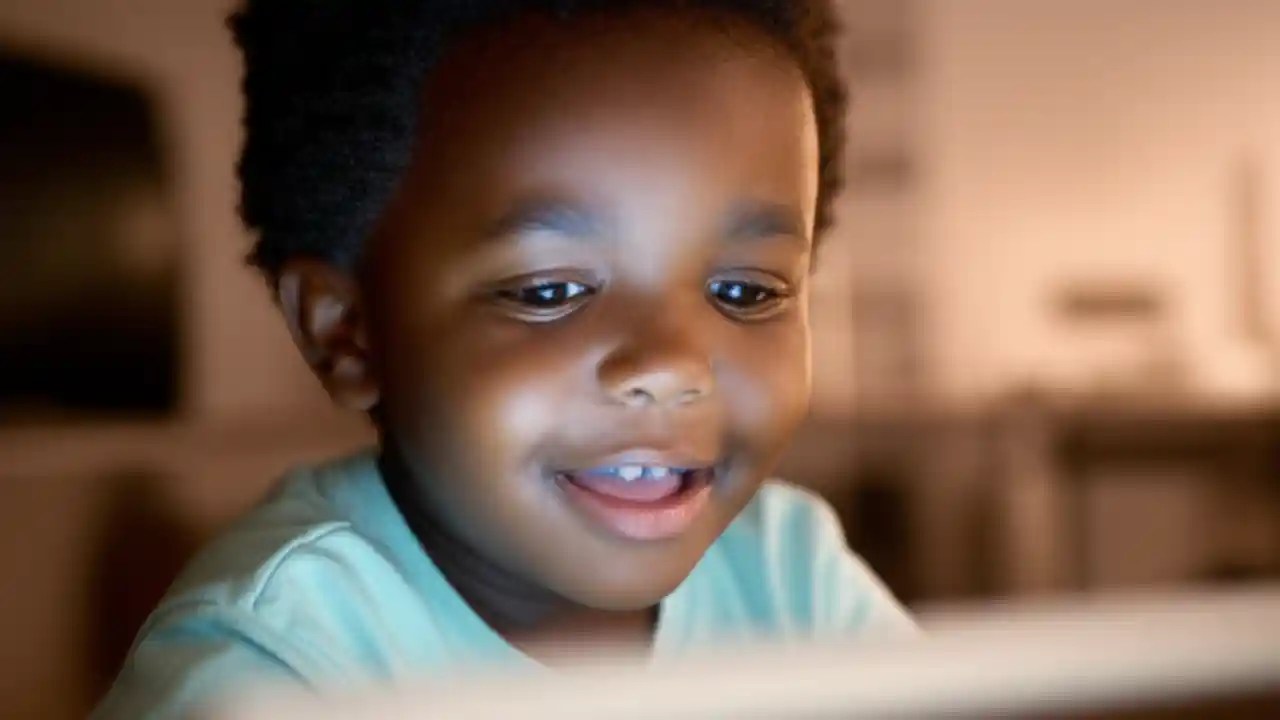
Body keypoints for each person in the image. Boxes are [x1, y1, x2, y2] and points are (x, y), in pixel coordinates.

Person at [95, 1, 915, 716]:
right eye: (550, 291)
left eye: (744, 291)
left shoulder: (788, 573)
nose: (672, 365)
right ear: (346, 330)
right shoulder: (276, 670)